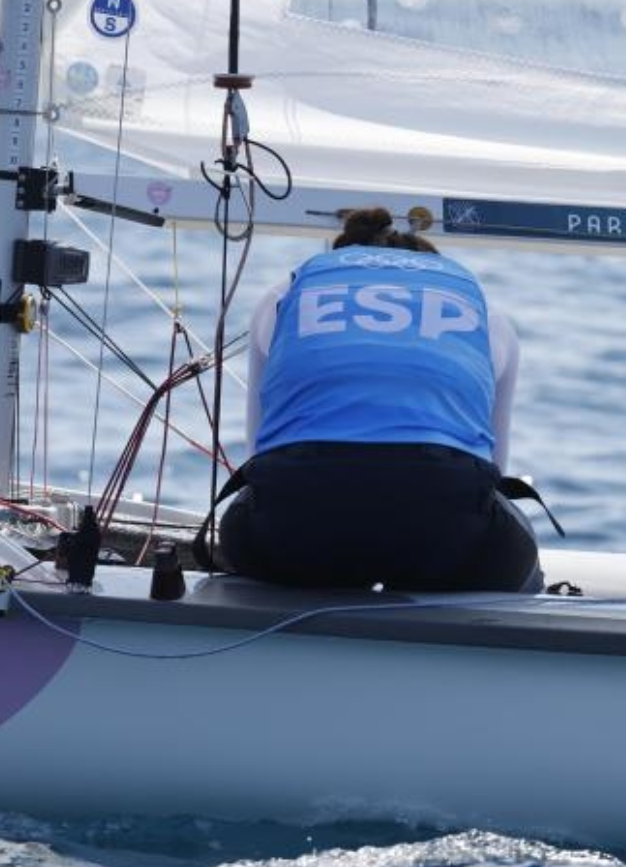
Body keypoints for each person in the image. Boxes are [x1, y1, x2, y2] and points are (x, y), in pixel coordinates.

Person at [218, 207, 542, 592]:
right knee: (509, 550)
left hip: (294, 528)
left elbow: (260, 449)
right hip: (447, 533)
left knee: (253, 524)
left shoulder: (283, 296)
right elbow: (493, 468)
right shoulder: (489, 315)